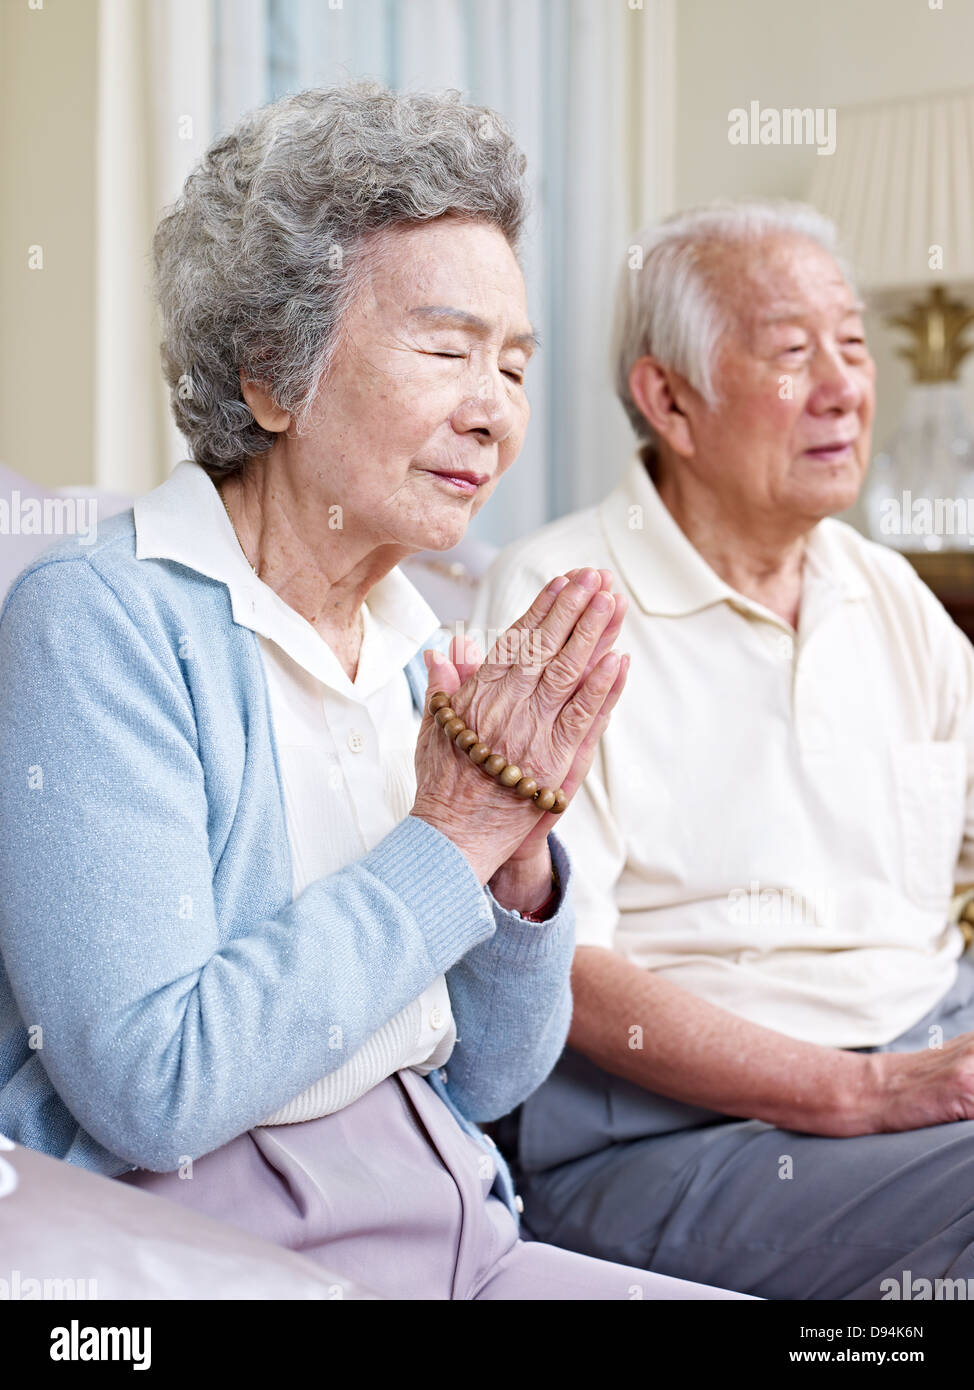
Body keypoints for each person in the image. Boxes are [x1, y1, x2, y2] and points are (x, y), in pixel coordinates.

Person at [0, 84, 748, 1302]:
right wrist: (445, 841)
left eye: (511, 364)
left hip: (457, 1224)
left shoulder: (420, 642)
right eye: (448, 351)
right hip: (206, 1249)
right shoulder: (101, 620)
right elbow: (151, 1086)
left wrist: (515, 877)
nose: (493, 412)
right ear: (269, 375)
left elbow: (484, 1080)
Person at [474, 198, 974, 1301]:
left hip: (924, 1064)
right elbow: (561, 973)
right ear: (669, 399)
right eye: (793, 352)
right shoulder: (557, 604)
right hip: (674, 1135)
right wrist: (865, 1093)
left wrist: (913, 1074)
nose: (843, 385)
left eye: (851, 344)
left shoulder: (887, 592)